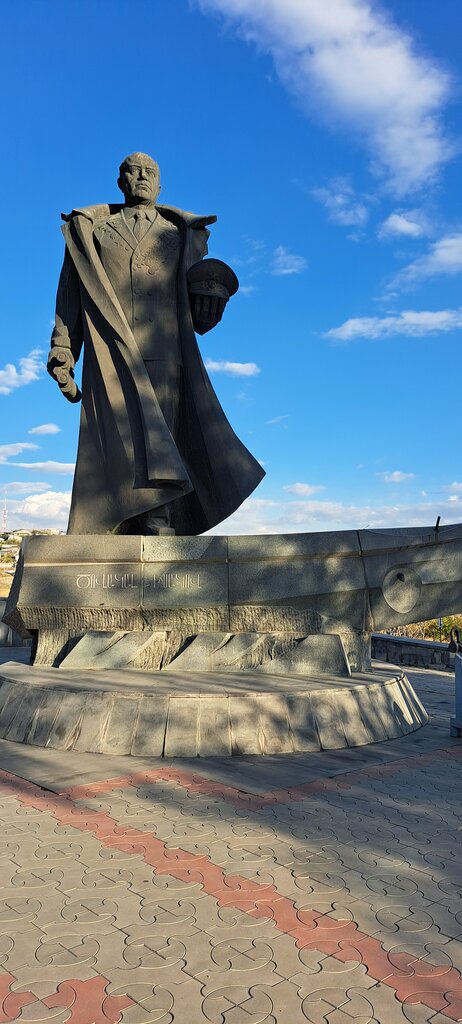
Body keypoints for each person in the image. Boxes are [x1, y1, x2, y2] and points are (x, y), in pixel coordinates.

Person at [47, 152, 264, 535]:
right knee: (114, 437)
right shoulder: (93, 233)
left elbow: (197, 311)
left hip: (165, 350)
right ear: (121, 182)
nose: (142, 176)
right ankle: (116, 520)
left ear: (160, 185)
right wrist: (63, 350)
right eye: (134, 171)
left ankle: (158, 518)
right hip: (108, 350)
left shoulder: (178, 234)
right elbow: (70, 296)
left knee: (164, 434)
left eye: (151, 172)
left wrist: (211, 308)